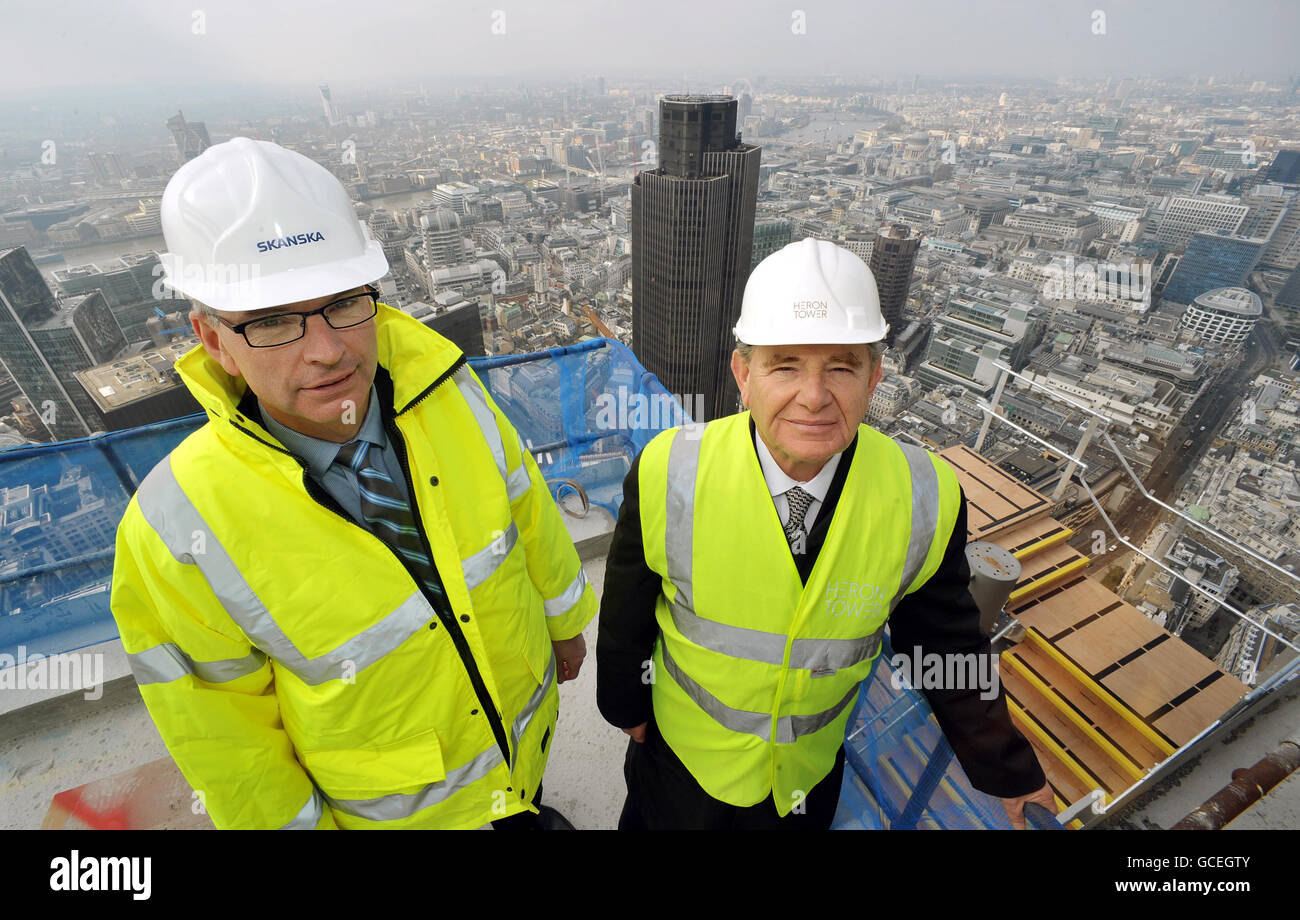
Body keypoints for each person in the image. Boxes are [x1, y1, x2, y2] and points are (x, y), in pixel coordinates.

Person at [109, 137, 595, 829]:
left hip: (520, 740)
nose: (328, 349)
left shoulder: (448, 392)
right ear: (214, 340)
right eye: (275, 320)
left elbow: (526, 506)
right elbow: (223, 735)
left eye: (343, 303)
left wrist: (566, 623)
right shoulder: (177, 524)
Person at [596, 238, 1056, 829]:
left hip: (806, 777)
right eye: (785, 365)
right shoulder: (671, 471)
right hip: (683, 764)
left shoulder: (925, 496)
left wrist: (1010, 772)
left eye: (841, 366)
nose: (813, 397)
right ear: (743, 373)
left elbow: (943, 643)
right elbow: (627, 608)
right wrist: (625, 705)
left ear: (874, 377)